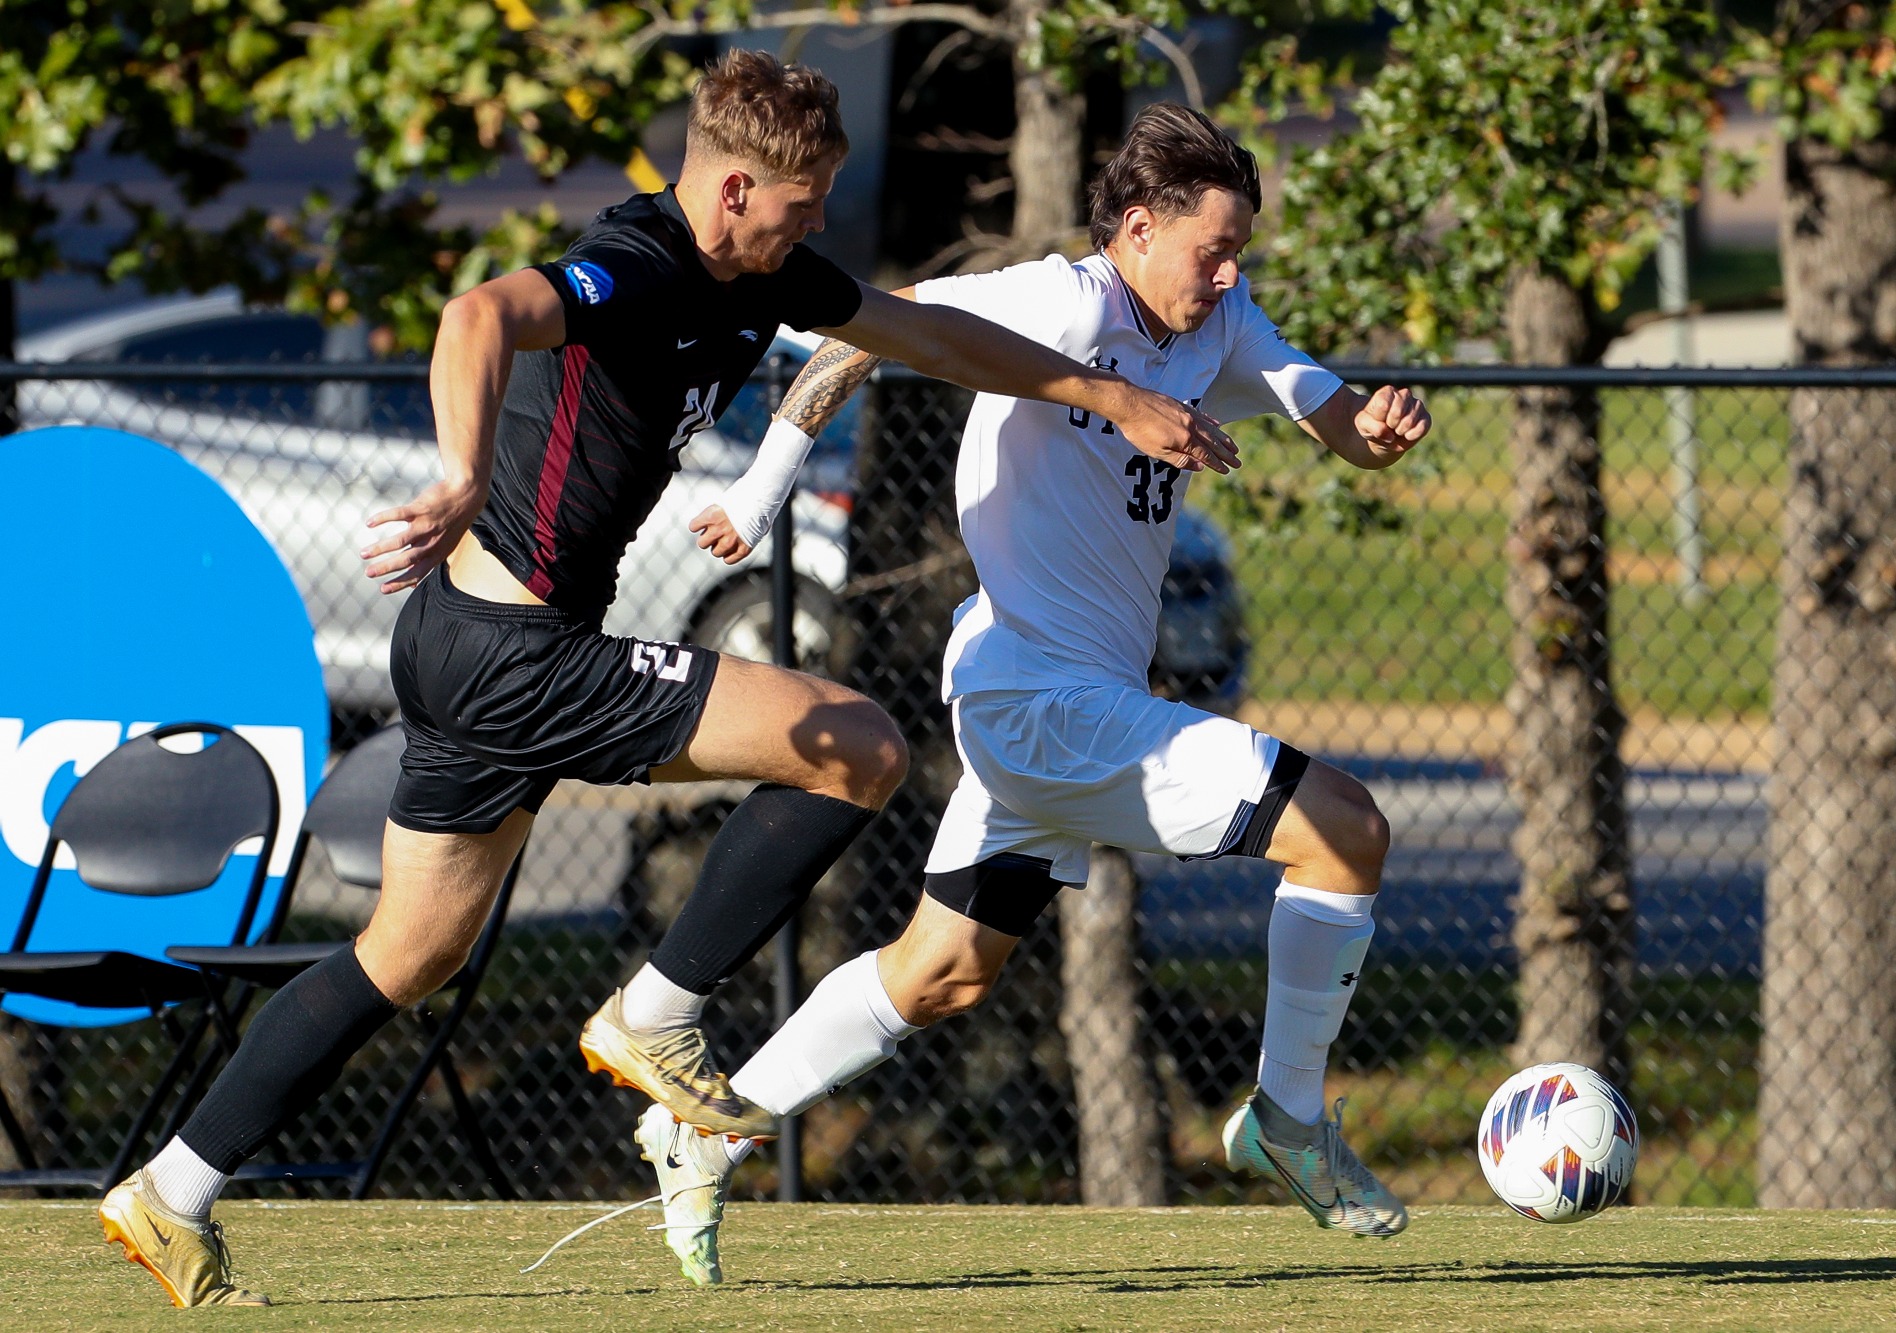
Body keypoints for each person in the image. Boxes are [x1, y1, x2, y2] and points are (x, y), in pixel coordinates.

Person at [96, 54, 1237, 1309]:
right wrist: (464, 476)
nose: (816, 229)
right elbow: (475, 316)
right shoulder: (634, 263)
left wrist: (1104, 391)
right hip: (515, 650)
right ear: (734, 185)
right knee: (852, 744)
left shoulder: (763, 265)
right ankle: (654, 1013)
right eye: (801, 206)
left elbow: (924, 332)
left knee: (402, 956)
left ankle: (170, 1191)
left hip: (473, 646)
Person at [643, 101, 1432, 1285]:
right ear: (1134, 227)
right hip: (1037, 698)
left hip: (1057, 704)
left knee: (942, 970)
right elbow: (860, 340)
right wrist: (760, 496)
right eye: (1211, 250)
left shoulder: (1214, 320)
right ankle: (1288, 1119)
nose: (1227, 275)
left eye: (1239, 254)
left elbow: (1326, 409)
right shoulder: (1062, 302)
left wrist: (1371, 426)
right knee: (1345, 830)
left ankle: (708, 1122)